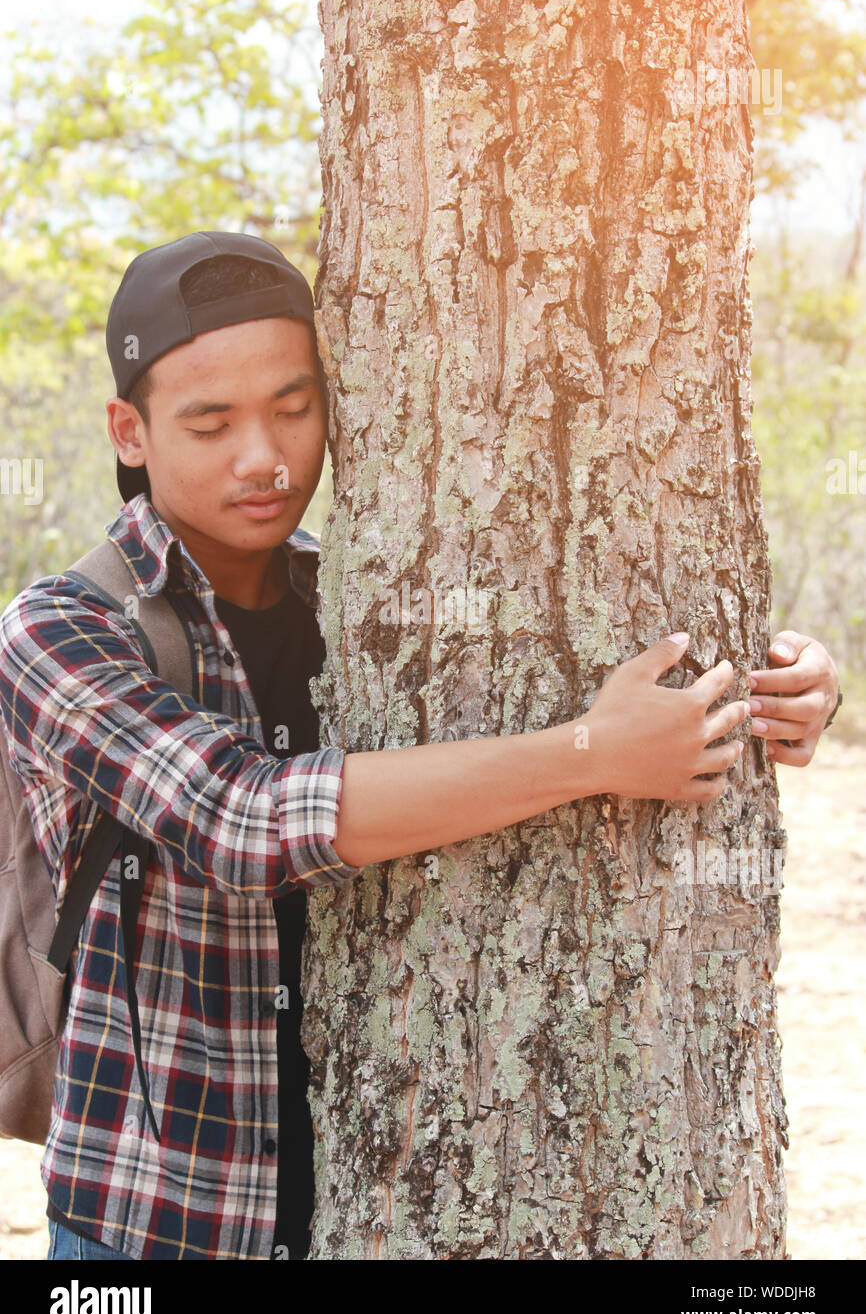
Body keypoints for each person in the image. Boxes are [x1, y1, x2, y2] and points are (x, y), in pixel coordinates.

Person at [0, 231, 842, 1261]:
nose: (263, 457)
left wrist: (766, 685)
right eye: (211, 423)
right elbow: (242, 819)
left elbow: (564, 654)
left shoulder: (361, 587)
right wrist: (591, 754)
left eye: (295, 408)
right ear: (129, 430)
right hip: (154, 1221)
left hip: (369, 1208)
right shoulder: (60, 627)